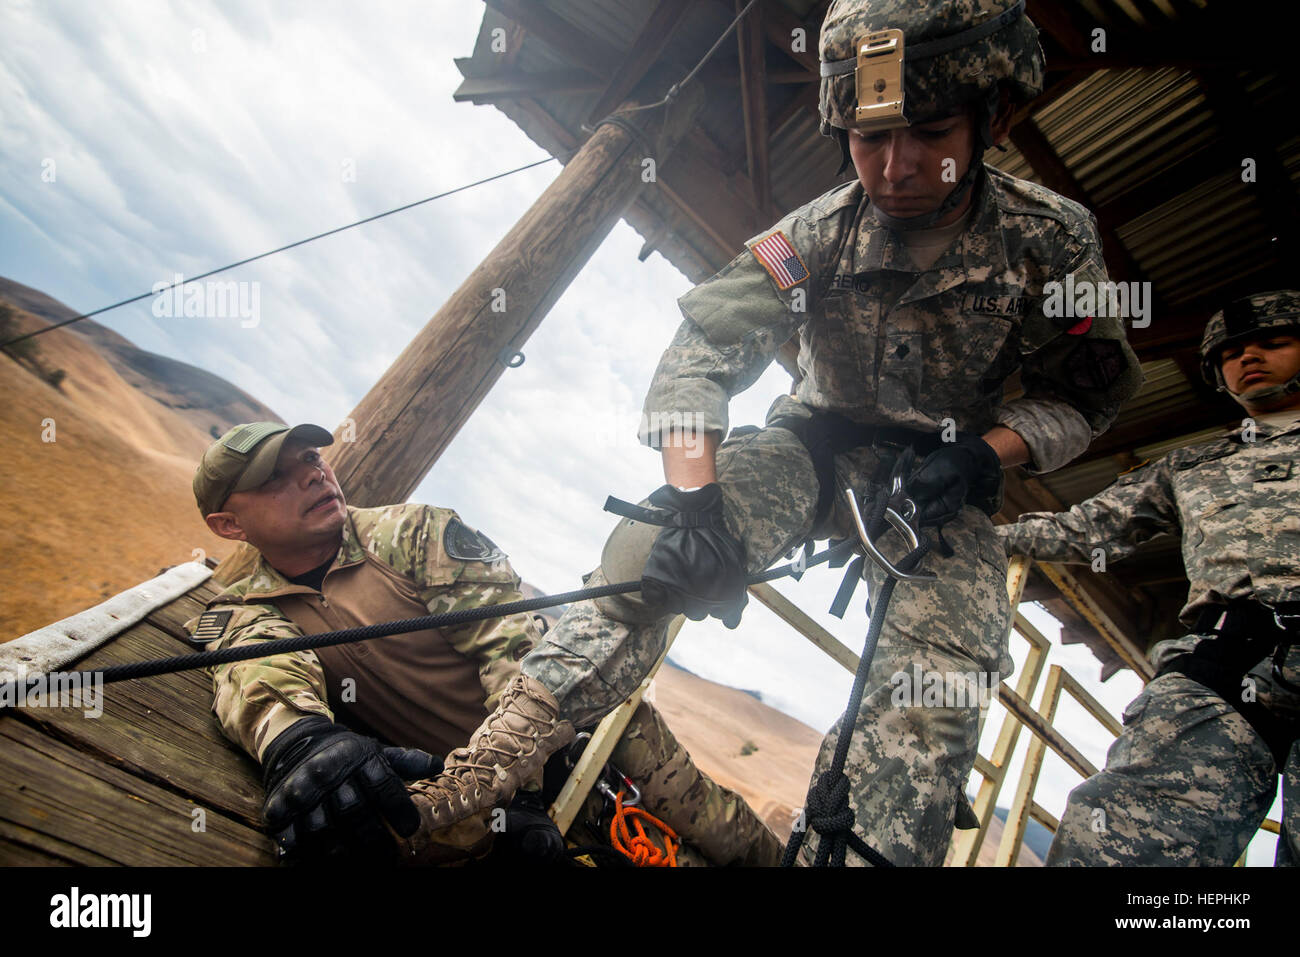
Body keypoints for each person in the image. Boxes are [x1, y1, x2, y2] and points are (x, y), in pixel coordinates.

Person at [403, 0, 1143, 866]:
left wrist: (987, 453)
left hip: (935, 484)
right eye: (870, 138)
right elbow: (703, 350)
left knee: (941, 680)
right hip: (811, 448)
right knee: (649, 557)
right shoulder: (812, 237)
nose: (896, 167)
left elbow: (1086, 395)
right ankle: (488, 769)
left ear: (995, 119)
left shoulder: (1051, 245)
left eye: (930, 131)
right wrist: (693, 499)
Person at [186, 421, 781, 866]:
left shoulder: (414, 532)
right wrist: (301, 742)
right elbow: (260, 673)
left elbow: (509, 643)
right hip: (467, 802)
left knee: (727, 837)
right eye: (276, 480)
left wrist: (519, 791)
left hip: (595, 738)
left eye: (312, 458)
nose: (313, 475)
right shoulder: (248, 612)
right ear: (229, 527)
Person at [998, 291, 1300, 866]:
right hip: (1222, 666)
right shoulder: (1192, 465)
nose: (1249, 357)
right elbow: (1088, 528)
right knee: (1117, 845)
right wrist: (959, 537)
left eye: (1272, 342)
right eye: (1231, 353)